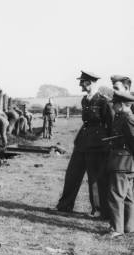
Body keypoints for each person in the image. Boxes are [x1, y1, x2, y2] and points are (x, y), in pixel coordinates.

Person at [55, 71, 112, 217]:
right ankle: (65, 205)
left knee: (95, 177)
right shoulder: (84, 100)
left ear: (90, 83)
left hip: (97, 144)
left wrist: (108, 145)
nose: (80, 85)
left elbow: (109, 124)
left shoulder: (103, 101)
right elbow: (86, 122)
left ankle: (98, 210)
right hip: (82, 141)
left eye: (83, 82)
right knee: (72, 173)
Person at [105, 90, 134, 238]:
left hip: (122, 163)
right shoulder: (123, 116)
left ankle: (116, 229)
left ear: (121, 104)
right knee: (128, 196)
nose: (112, 107)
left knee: (116, 195)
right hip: (125, 163)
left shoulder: (127, 118)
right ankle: (129, 227)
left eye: (114, 104)